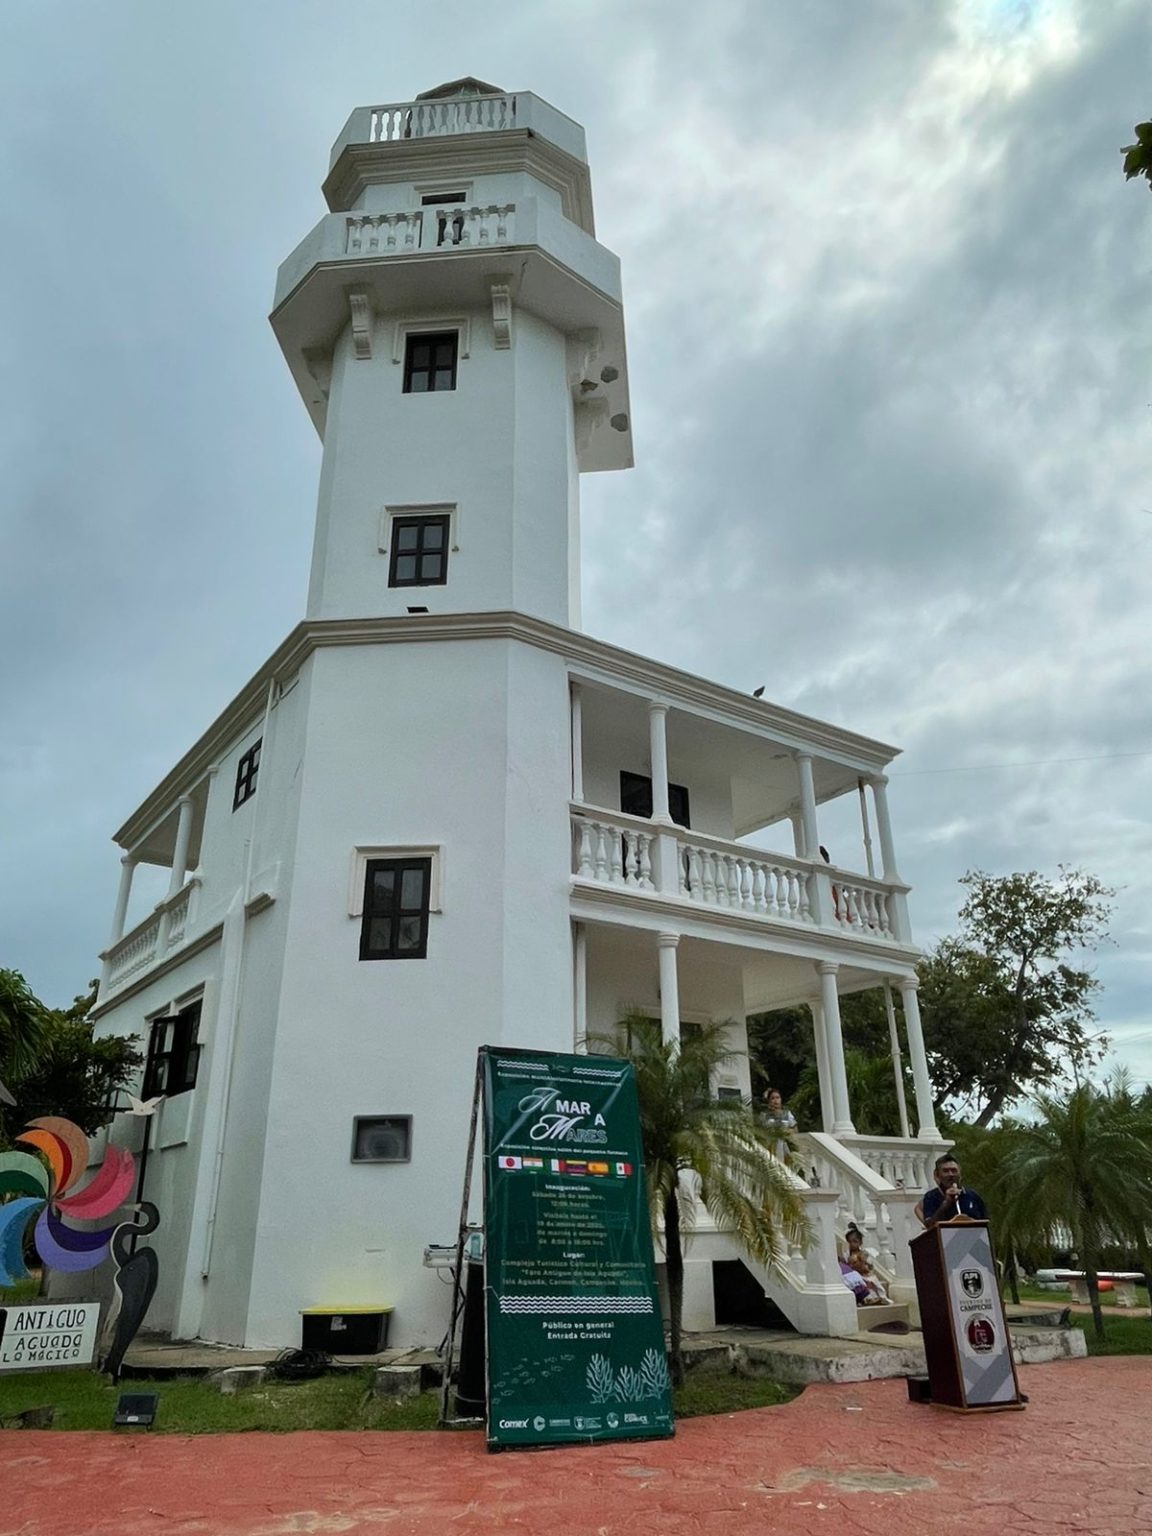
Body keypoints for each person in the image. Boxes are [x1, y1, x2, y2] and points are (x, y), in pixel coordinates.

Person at [915, 1153, 988, 1227]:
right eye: (945, 1171)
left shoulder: (972, 1196)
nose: (950, 1174)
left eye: (954, 1170)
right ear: (937, 1175)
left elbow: (985, 1222)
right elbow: (930, 1225)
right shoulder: (931, 1197)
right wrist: (946, 1203)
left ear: (960, 1174)